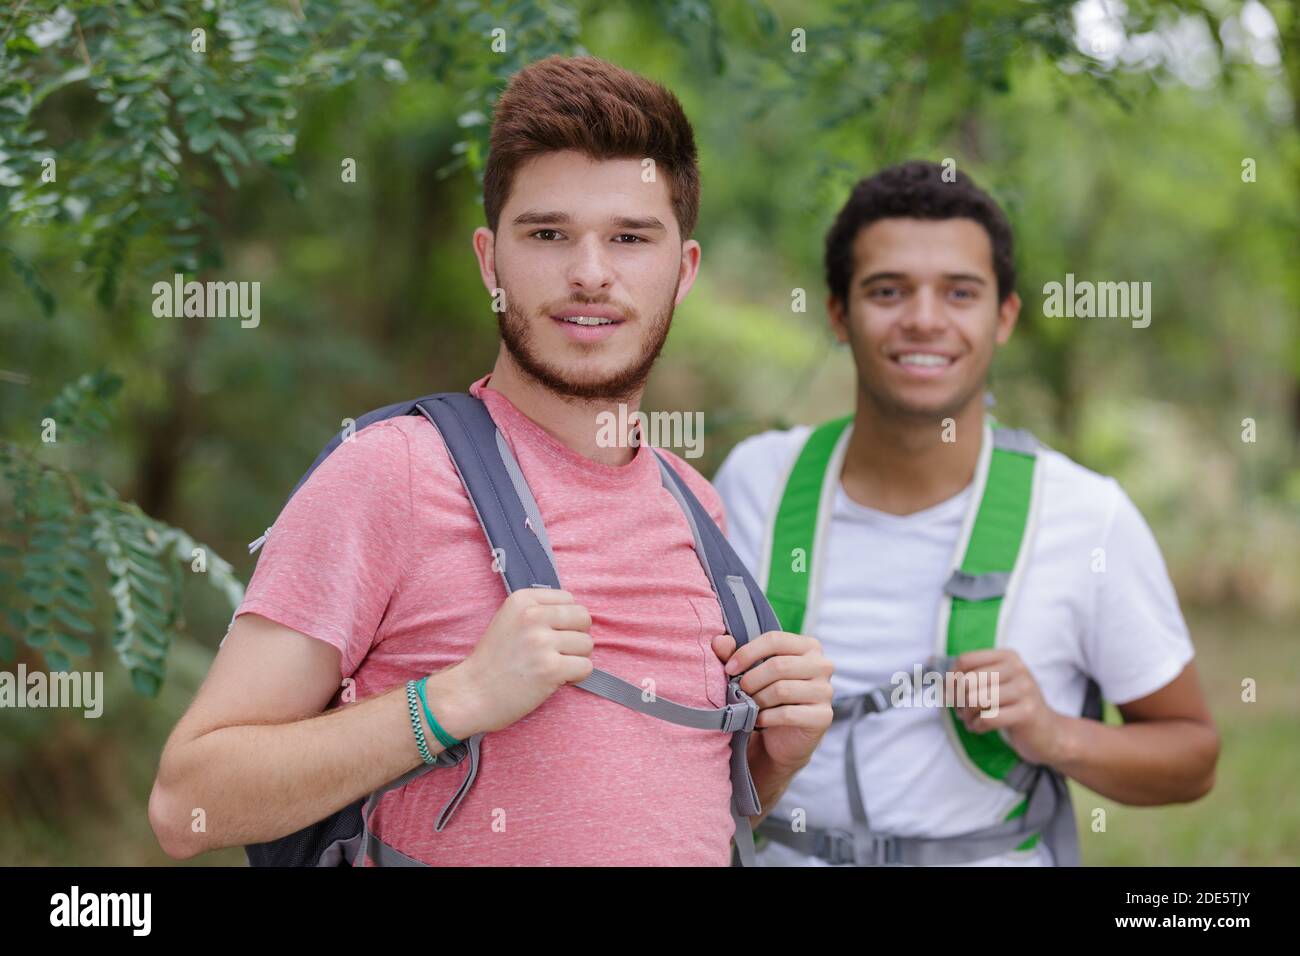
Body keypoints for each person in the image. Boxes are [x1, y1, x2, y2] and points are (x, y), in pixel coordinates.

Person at [147, 55, 833, 866]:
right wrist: (454, 700)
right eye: (548, 234)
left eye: (629, 238)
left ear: (681, 272)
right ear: (489, 261)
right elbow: (187, 802)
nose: (589, 272)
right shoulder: (392, 472)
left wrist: (774, 757)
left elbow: (658, 814)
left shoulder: (694, 505)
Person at [713, 160, 1219, 866]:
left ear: (1003, 316)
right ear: (838, 312)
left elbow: (1193, 756)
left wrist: (1053, 733)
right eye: (887, 291)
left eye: (960, 292)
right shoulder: (753, 482)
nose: (924, 319)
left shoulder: (1084, 515)